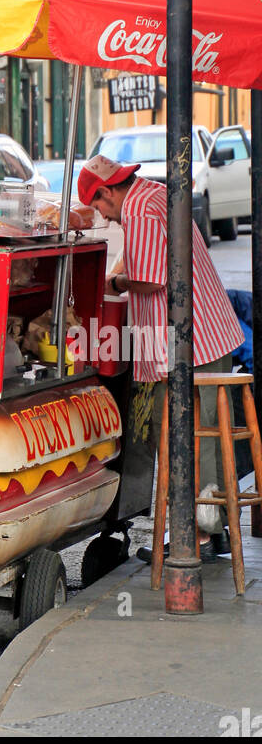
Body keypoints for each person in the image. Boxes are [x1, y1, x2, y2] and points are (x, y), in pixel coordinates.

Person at [77, 153, 245, 563]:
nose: (103, 215)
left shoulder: (138, 210)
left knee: (191, 432)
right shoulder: (151, 195)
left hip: (193, 338)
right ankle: (214, 530)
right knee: (194, 428)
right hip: (195, 333)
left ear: (108, 191)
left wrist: (114, 280)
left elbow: (150, 280)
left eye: (98, 204)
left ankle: (199, 537)